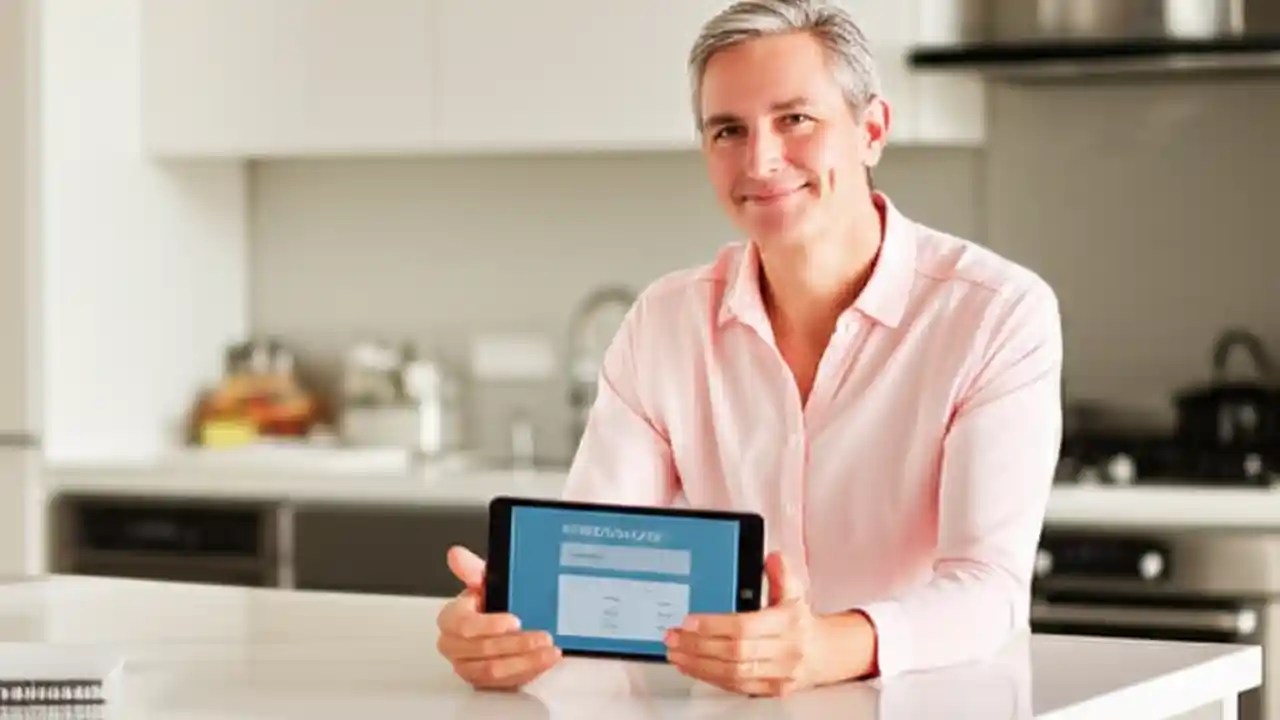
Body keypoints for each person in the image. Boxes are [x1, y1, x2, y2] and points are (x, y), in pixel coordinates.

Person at [435, 0, 1063, 698]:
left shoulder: (995, 313)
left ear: (872, 129)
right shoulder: (664, 325)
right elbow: (596, 562)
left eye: (795, 119)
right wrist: (509, 628)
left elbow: (989, 588)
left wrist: (827, 646)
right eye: (728, 130)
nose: (761, 159)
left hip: (930, 704)